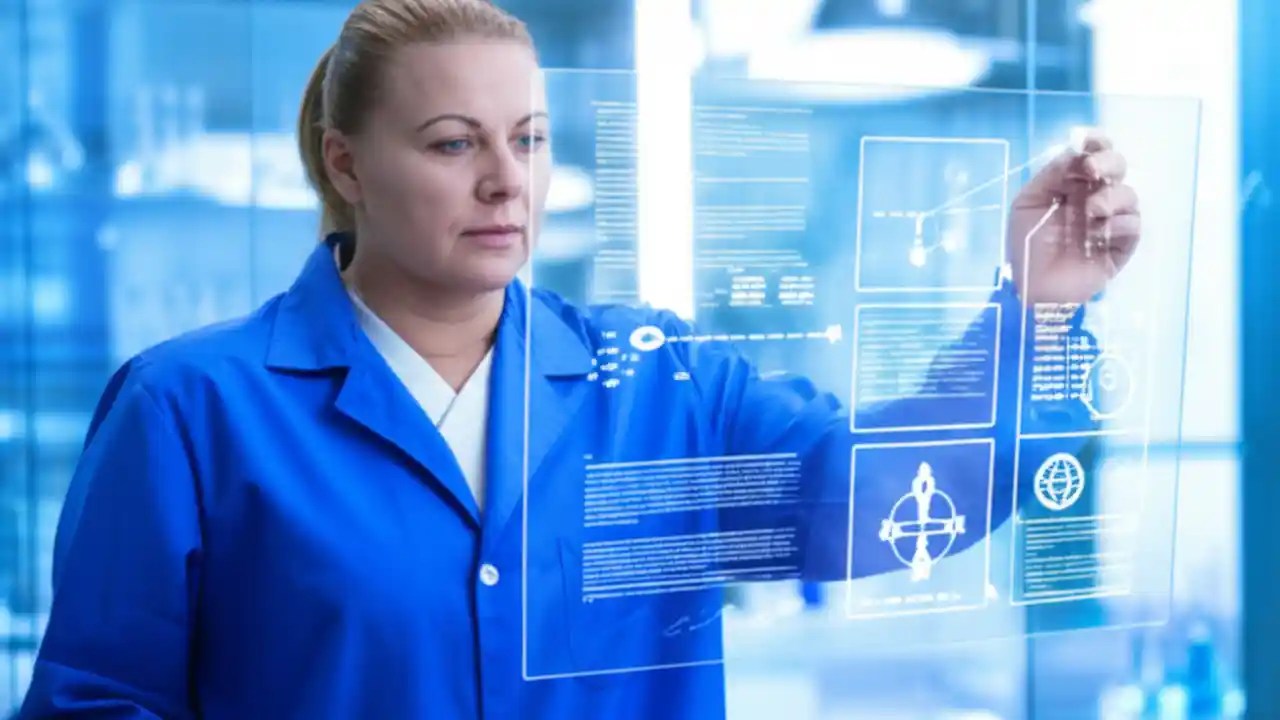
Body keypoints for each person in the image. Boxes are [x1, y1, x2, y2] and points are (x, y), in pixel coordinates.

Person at [19, 0, 1141, 718]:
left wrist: (1037, 312)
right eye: (452, 143)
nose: (506, 181)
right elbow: (99, 703)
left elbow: (892, 497)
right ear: (345, 163)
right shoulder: (191, 411)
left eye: (529, 139)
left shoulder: (661, 384)